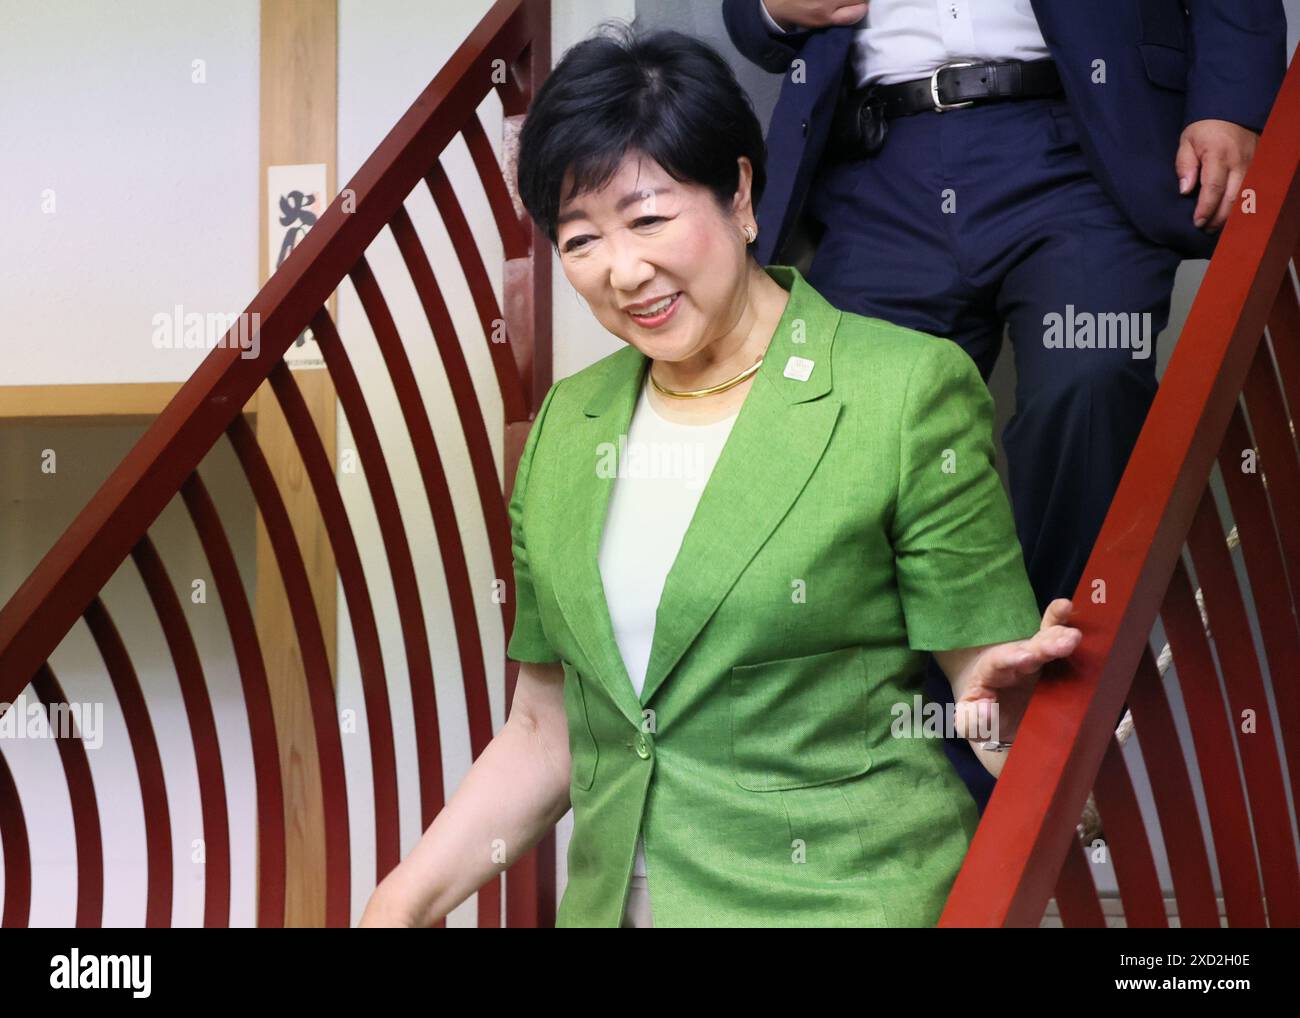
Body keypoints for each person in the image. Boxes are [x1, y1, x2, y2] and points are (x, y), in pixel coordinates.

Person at [358, 23, 1080, 930]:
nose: (623, 271)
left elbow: (982, 674)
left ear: (739, 193)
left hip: (844, 904)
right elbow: (545, 731)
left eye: (651, 218)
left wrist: (1011, 709)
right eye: (580, 240)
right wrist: (396, 906)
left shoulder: (903, 391)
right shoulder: (567, 429)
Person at [723, 0, 1287, 812]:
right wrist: (774, 7)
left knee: (1092, 375)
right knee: (844, 428)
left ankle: (1035, 700)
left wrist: (1231, 104)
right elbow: (752, 20)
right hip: (882, 156)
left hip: (1079, 135)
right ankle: (895, 759)